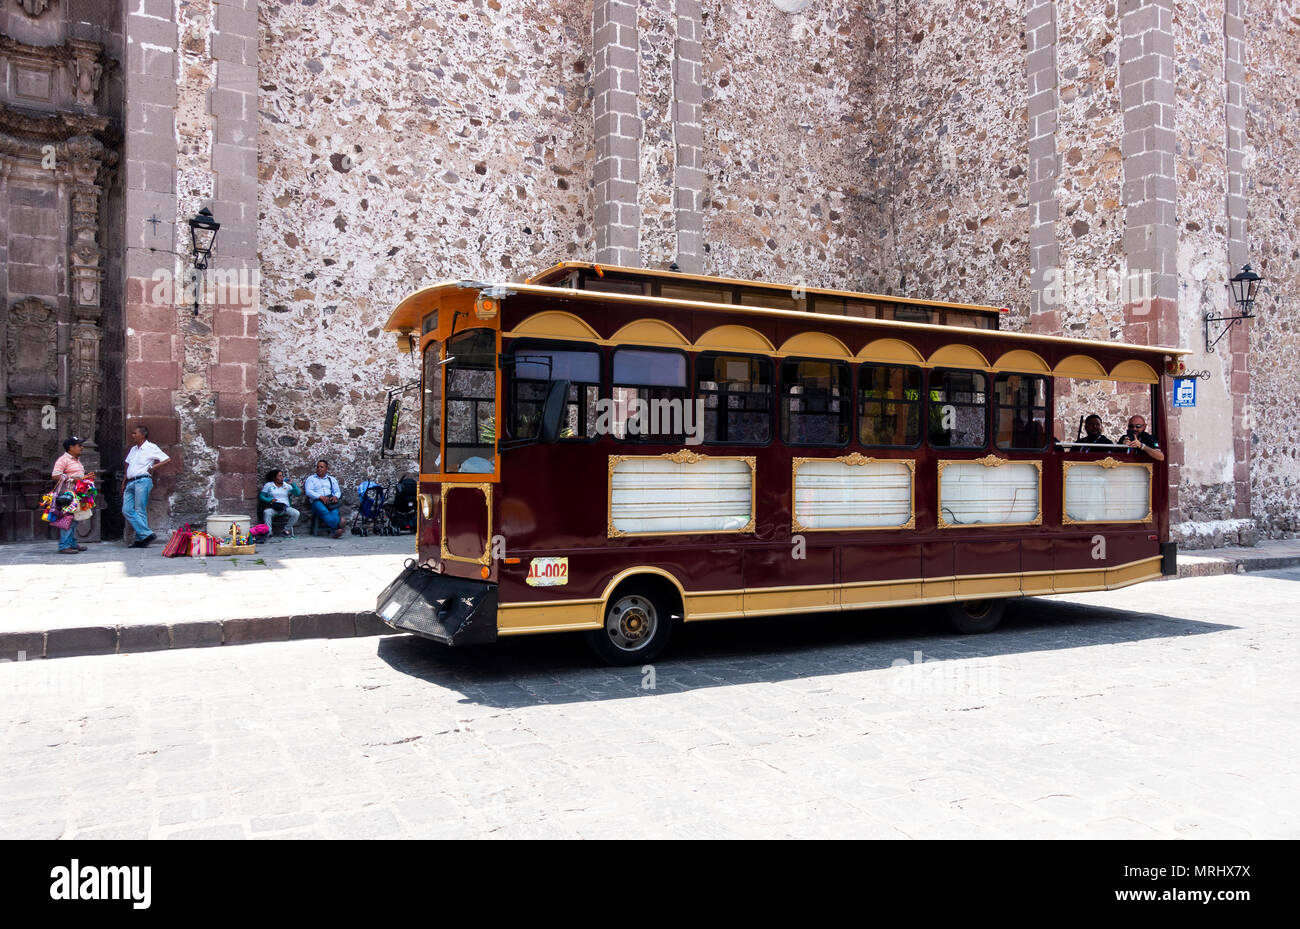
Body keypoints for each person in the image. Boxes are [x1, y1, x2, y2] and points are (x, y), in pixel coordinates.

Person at [123, 423, 170, 548]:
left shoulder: (151, 447)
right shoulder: (133, 449)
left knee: (140, 510)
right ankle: (146, 534)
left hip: (143, 480)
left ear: (143, 435)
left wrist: (153, 467)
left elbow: (166, 459)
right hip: (131, 481)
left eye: (135, 433)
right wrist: (124, 482)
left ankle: (142, 539)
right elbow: (128, 465)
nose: (132, 435)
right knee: (127, 510)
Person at [50, 436, 94, 555]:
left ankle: (72, 543)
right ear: (71, 447)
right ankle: (64, 545)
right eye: (79, 445)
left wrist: (84, 479)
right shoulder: (63, 459)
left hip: (76, 495)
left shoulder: (76, 460)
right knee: (68, 519)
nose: (82, 448)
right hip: (67, 496)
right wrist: (72, 479)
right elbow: (55, 475)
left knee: (74, 519)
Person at [304, 459, 345, 539]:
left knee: (335, 512)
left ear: (326, 468)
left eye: (321, 467)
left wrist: (335, 496)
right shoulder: (311, 479)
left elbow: (337, 491)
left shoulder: (331, 479)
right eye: (318, 467)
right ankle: (337, 528)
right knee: (324, 511)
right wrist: (320, 497)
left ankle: (336, 530)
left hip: (329, 501)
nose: (319, 469)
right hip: (317, 501)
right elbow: (308, 492)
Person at [260, 469, 301, 537]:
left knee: (296, 513)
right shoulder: (269, 485)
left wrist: (293, 484)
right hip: (274, 507)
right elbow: (262, 496)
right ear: (274, 478)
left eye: (282, 476)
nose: (282, 478)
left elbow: (297, 493)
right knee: (266, 512)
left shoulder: (286, 485)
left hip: (285, 508)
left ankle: (286, 530)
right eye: (279, 476)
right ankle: (269, 531)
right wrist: (269, 500)